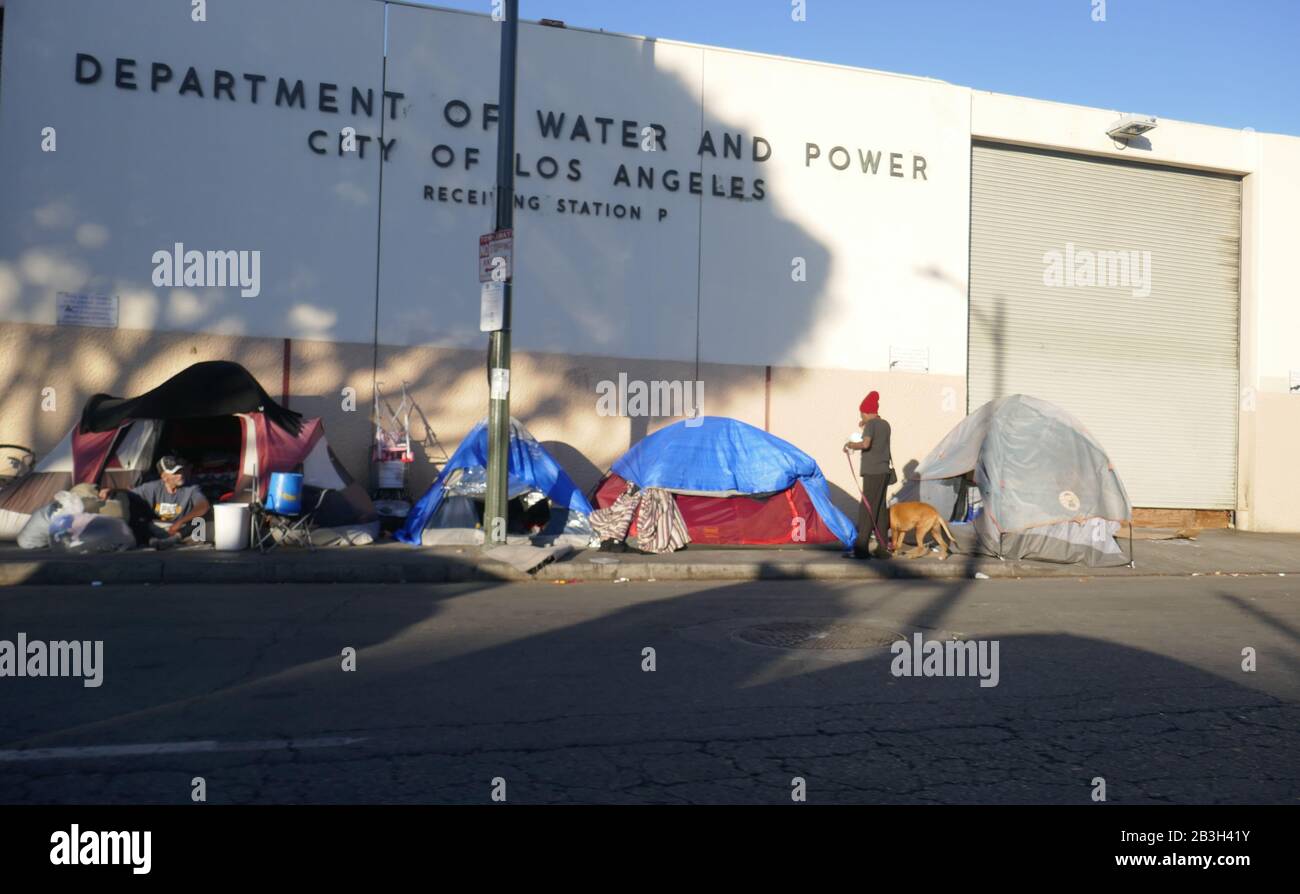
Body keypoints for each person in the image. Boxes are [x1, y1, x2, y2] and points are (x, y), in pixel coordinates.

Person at [100, 455, 210, 549]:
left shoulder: (192, 488)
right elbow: (131, 493)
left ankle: (172, 540)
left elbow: (203, 506)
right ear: (164, 477)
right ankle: (151, 540)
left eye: (180, 471)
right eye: (175, 473)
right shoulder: (151, 487)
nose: (180, 475)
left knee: (202, 518)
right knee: (133, 510)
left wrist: (179, 523)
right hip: (156, 526)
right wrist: (112, 490)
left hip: (180, 529)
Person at [844, 391, 893, 559]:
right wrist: (865, 424)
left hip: (873, 472)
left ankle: (861, 549)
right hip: (884, 471)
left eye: (861, 414)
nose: (861, 417)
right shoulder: (885, 424)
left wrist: (850, 444)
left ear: (865, 412)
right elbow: (878, 439)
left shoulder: (871, 425)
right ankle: (883, 548)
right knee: (879, 509)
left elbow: (866, 444)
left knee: (866, 508)